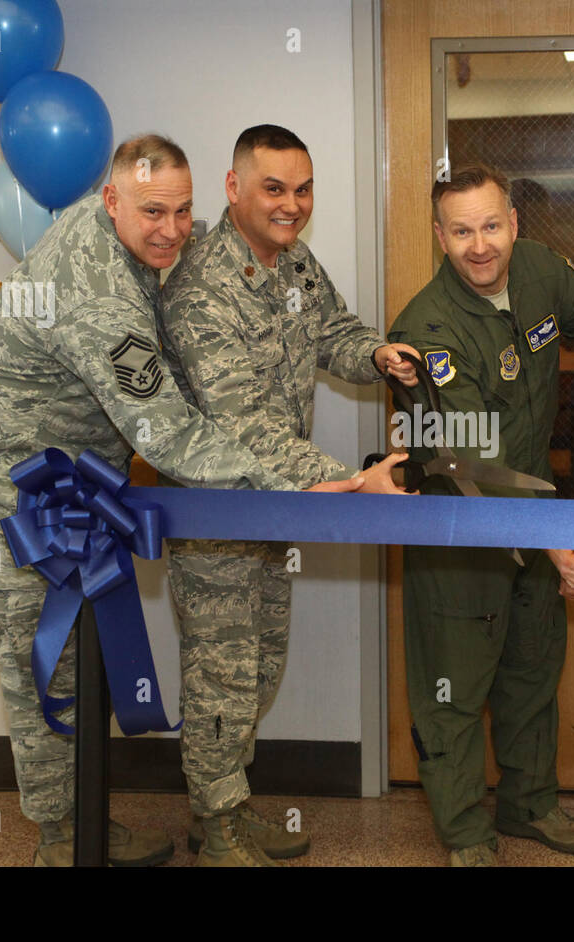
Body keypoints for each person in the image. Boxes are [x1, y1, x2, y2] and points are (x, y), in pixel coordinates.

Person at [0, 134, 379, 867]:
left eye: (182, 211)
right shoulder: (96, 292)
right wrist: (292, 481)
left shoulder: (133, 241)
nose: (174, 230)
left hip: (78, 492)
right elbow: (168, 432)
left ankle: (94, 822)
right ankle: (63, 838)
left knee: (88, 669)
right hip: (16, 502)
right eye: (154, 211)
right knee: (46, 673)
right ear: (109, 199)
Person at [158, 125, 420, 867]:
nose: (292, 205)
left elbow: (331, 328)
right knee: (221, 674)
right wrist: (345, 482)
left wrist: (374, 353)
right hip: (219, 512)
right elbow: (240, 424)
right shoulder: (199, 286)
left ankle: (231, 808)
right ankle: (215, 829)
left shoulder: (293, 260)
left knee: (260, 667)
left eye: (303, 189)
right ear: (234, 187)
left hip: (278, 510)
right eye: (274, 188)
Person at [387, 161, 574, 867]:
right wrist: (557, 544)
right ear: (440, 236)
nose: (480, 245)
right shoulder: (427, 328)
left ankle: (528, 806)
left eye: (492, 225)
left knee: (530, 671)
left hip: (537, 508)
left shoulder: (540, 269)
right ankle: (464, 832)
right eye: (461, 231)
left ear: (514, 224)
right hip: (461, 527)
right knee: (453, 689)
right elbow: (467, 460)